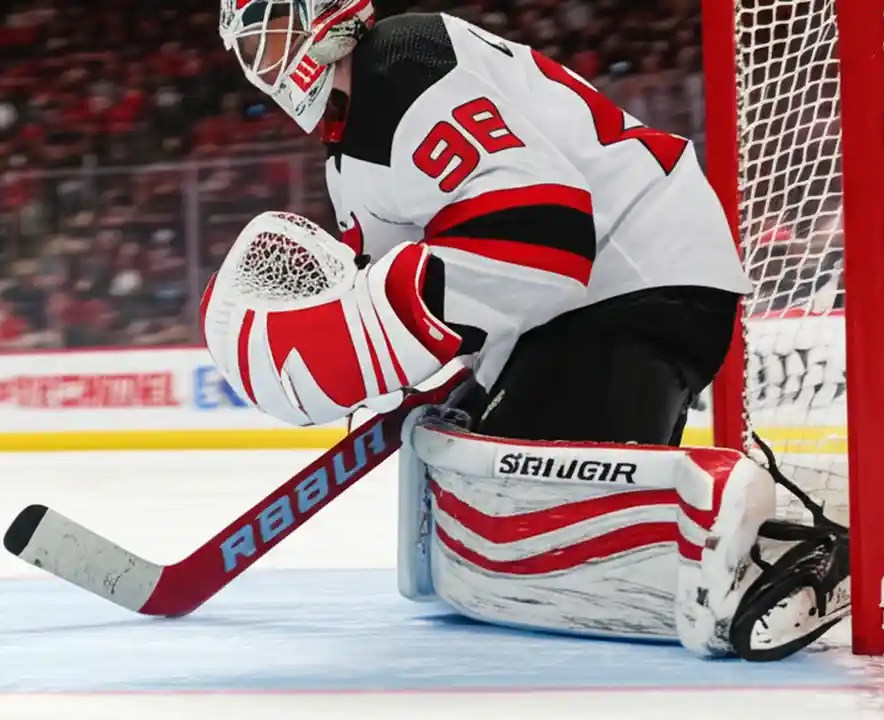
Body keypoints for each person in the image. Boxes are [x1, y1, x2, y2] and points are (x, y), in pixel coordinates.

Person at [201, 1, 847, 661]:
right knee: (475, 519)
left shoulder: (407, 60)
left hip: (636, 278)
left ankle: (752, 538)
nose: (265, 60)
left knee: (521, 527)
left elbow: (545, 234)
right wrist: (377, 352)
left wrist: (377, 329)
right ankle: (704, 528)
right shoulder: (349, 153)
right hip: (573, 309)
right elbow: (440, 287)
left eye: (274, 30)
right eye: (250, 47)